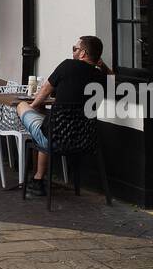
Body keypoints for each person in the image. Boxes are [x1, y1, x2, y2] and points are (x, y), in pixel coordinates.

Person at [16, 35, 110, 195]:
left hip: (55, 139)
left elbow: (45, 90)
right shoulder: (102, 77)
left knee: (22, 106)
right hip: (85, 141)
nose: (73, 52)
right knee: (47, 124)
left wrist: (31, 107)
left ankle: (37, 180)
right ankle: (38, 178)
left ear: (83, 53)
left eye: (75, 49)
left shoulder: (67, 66)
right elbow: (114, 80)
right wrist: (103, 66)